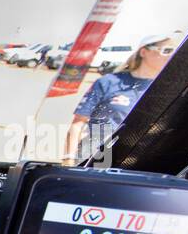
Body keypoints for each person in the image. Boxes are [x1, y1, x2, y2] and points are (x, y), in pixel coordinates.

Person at [62, 33, 179, 164]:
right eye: (166, 50)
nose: (172, 55)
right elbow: (78, 123)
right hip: (97, 158)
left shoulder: (167, 88)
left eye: (175, 51)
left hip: (135, 161)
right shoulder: (108, 82)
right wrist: (68, 158)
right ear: (144, 52)